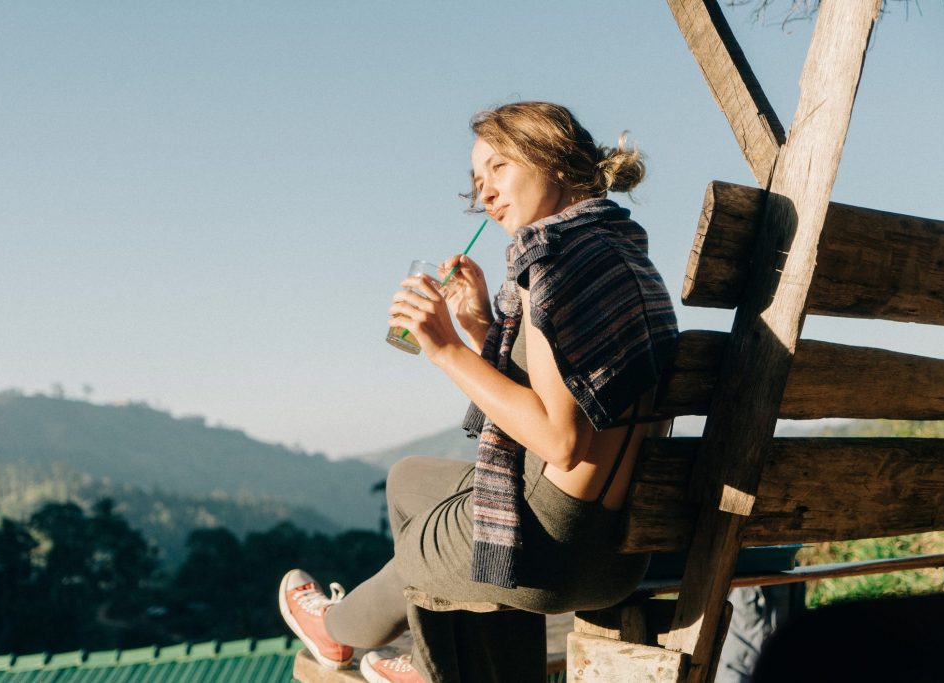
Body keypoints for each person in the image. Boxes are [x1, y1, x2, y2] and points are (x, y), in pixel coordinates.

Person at [279, 101, 679, 683]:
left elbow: (561, 440)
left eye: (498, 167)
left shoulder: (554, 258)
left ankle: (336, 631)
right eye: (477, 179)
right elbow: (575, 394)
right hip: (619, 547)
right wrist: (484, 328)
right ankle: (442, 664)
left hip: (550, 549)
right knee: (409, 479)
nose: (485, 192)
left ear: (554, 158)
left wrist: (447, 350)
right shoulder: (614, 251)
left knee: (419, 547)